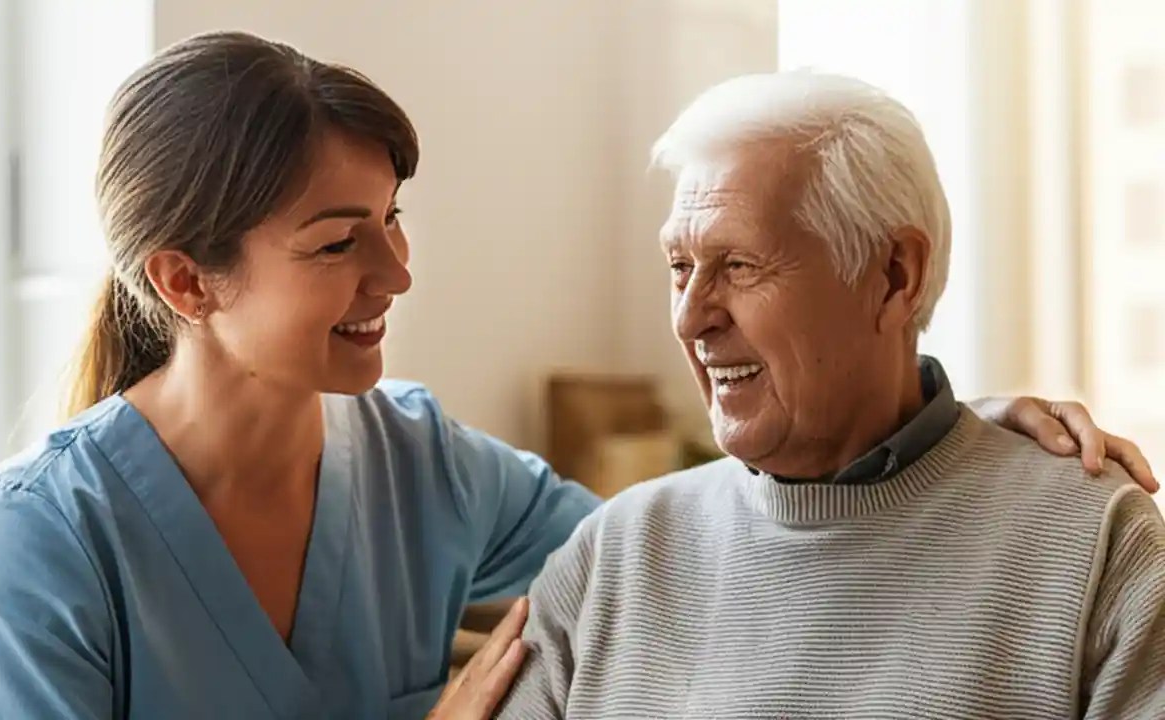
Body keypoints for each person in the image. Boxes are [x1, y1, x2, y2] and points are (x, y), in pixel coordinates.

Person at [0, 33, 1156, 720]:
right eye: (338, 242)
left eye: (392, 219)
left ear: (893, 276)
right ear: (187, 284)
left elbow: (730, 555)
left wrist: (949, 438)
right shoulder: (44, 539)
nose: (398, 271)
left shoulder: (426, 469)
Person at [496, 72, 1165, 719]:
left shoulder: (1099, 544)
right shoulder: (612, 553)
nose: (690, 318)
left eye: (738, 265)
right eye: (680, 267)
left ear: (895, 276)